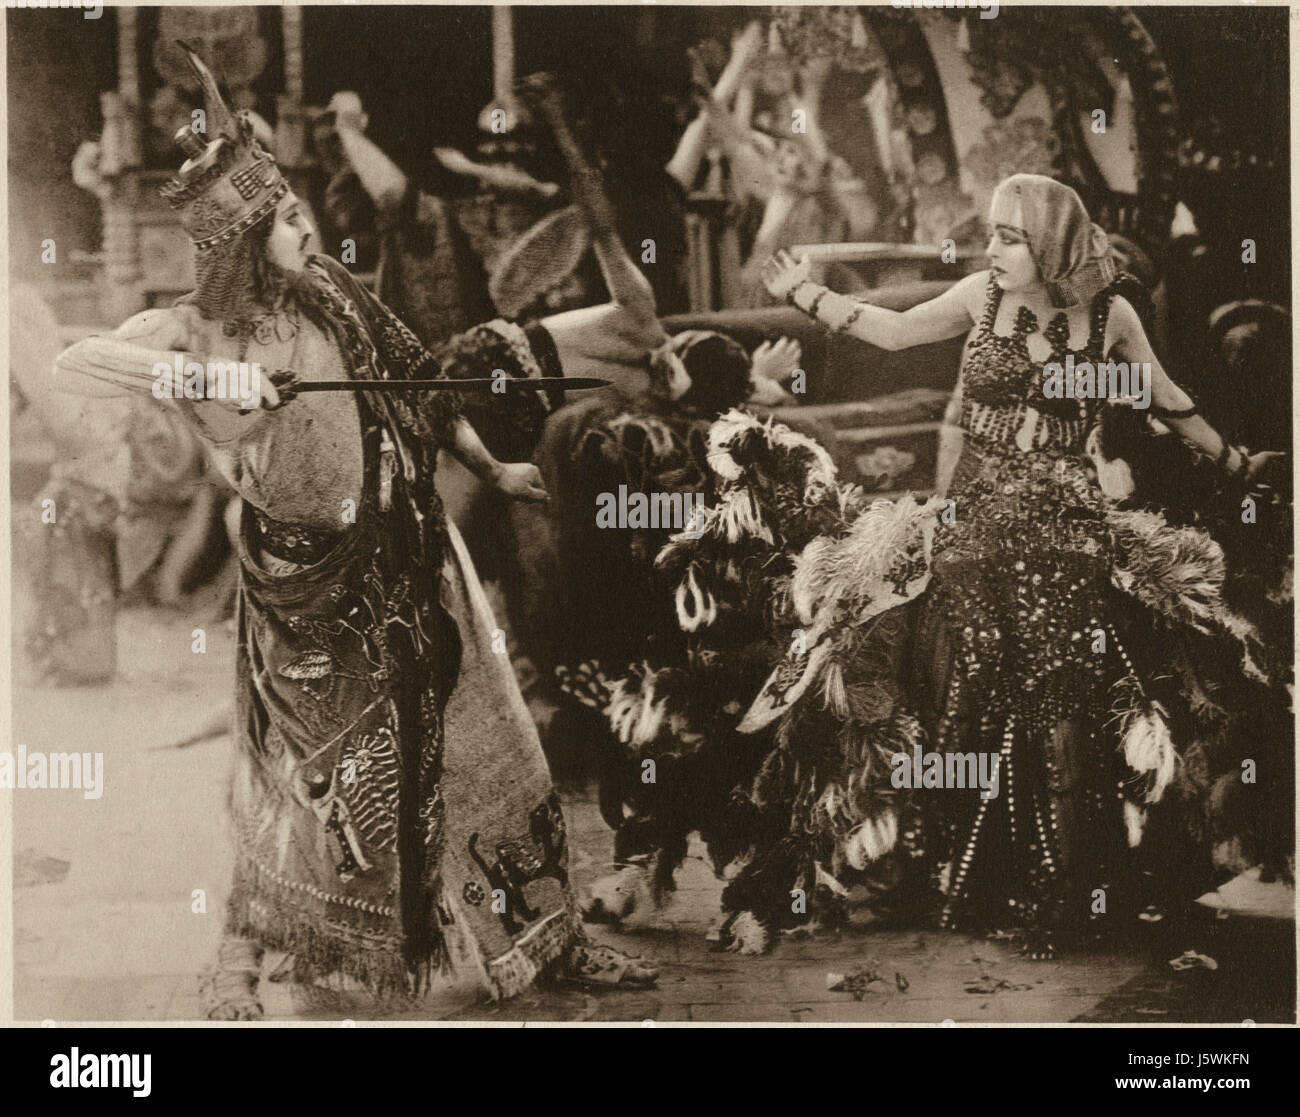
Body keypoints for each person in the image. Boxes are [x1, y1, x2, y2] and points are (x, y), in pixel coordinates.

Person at [52, 44, 655, 1017]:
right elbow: (85, 358)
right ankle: (242, 968)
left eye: (298, 209)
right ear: (241, 239)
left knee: (505, 760)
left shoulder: (334, 293)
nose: (304, 224)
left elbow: (417, 385)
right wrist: (208, 379)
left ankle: (551, 946)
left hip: (416, 562)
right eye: (284, 217)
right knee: (300, 796)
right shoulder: (204, 333)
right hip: (312, 604)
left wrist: (493, 466)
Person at [754, 172, 1283, 957]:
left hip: (1064, 531)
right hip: (974, 526)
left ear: (1050, 243)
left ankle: (1069, 890)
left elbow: (1166, 399)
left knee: (1060, 703)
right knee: (961, 686)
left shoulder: (1114, 315)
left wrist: (1237, 463)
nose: (991, 248)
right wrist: (809, 297)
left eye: (1009, 236)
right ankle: (960, 877)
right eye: (992, 234)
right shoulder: (980, 297)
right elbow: (894, 332)